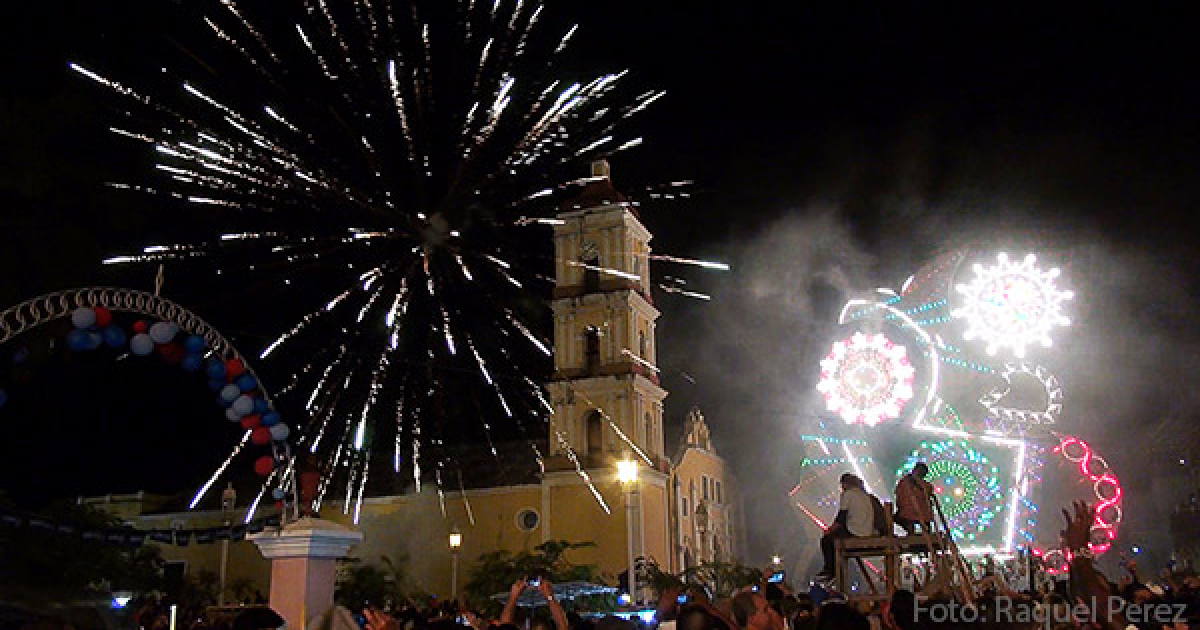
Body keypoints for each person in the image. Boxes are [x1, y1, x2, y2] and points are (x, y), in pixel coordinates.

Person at [816, 473, 874, 580]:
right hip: (866, 530)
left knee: (826, 541)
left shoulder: (848, 494)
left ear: (845, 484)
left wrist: (830, 529)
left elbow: (841, 517)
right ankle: (833, 570)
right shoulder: (863, 494)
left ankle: (831, 570)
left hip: (854, 530)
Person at [893, 462, 934, 535]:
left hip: (907, 514)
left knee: (898, 518)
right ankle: (925, 533)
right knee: (926, 527)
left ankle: (911, 532)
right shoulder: (927, 486)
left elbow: (899, 498)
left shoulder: (904, 482)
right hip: (924, 516)